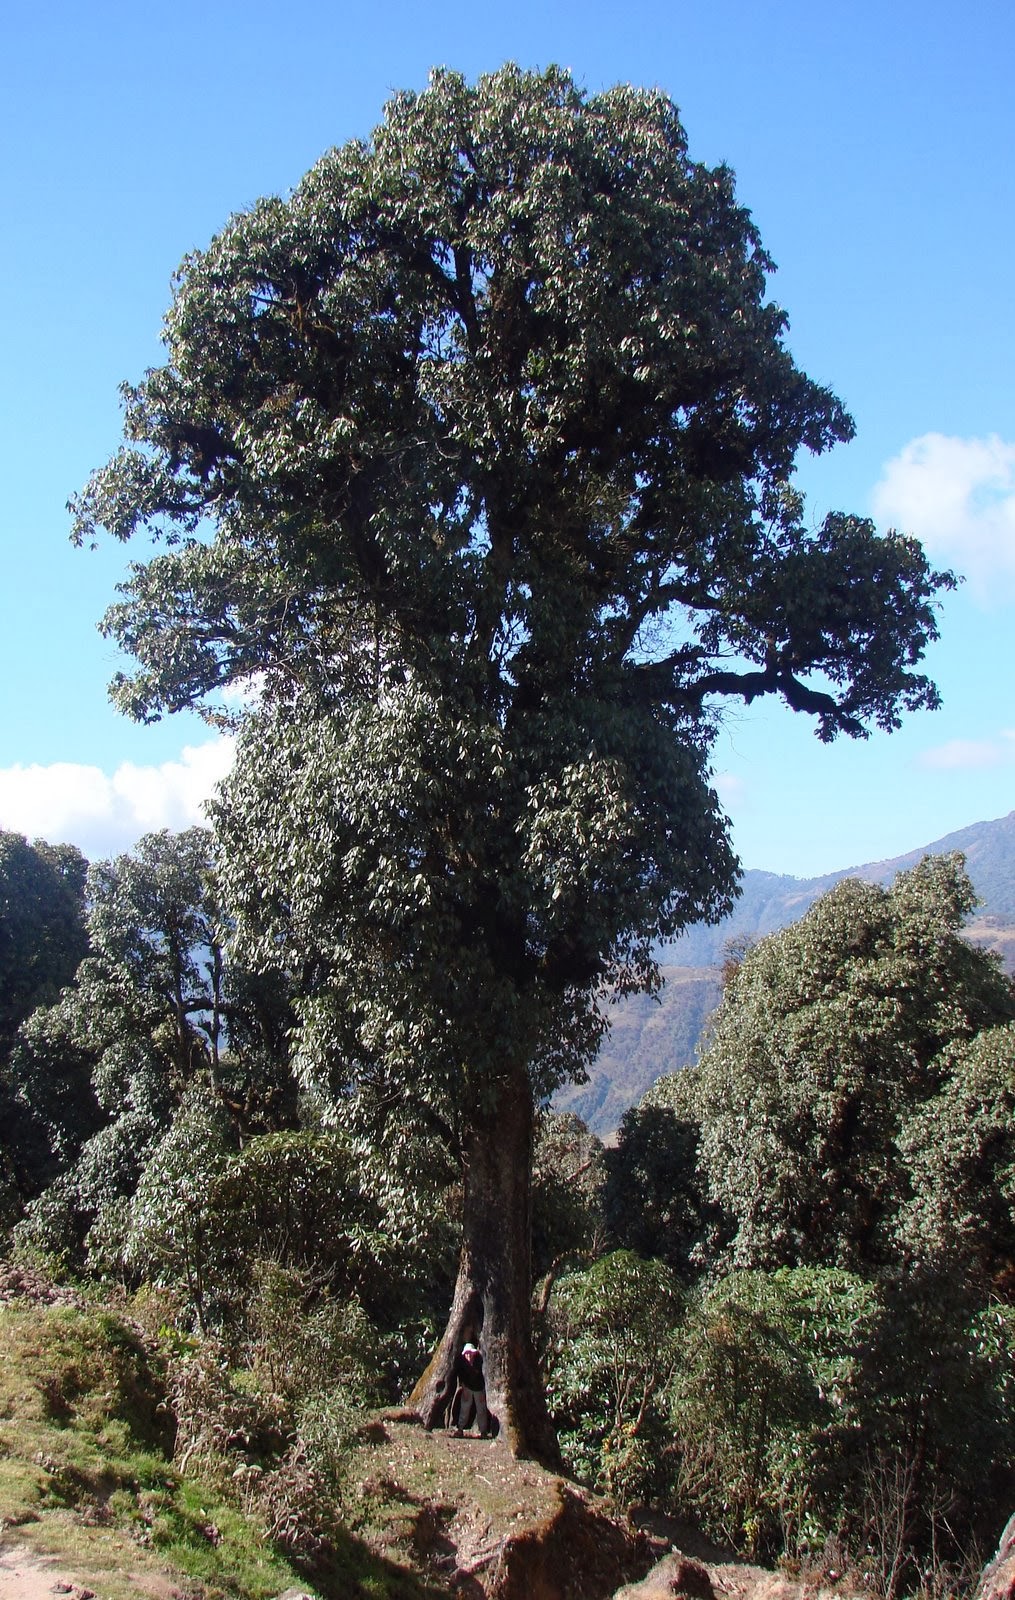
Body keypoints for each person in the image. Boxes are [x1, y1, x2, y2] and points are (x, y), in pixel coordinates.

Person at [449, 1342, 490, 1438]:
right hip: (468, 1387)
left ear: (474, 1353)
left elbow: (482, 1376)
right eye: (467, 1353)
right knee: (465, 1408)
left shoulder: (479, 1361)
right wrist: (464, 1387)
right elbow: (461, 1375)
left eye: (470, 1353)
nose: (468, 1355)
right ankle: (460, 1429)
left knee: (481, 1409)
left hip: (479, 1388)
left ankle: (483, 1431)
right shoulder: (462, 1363)